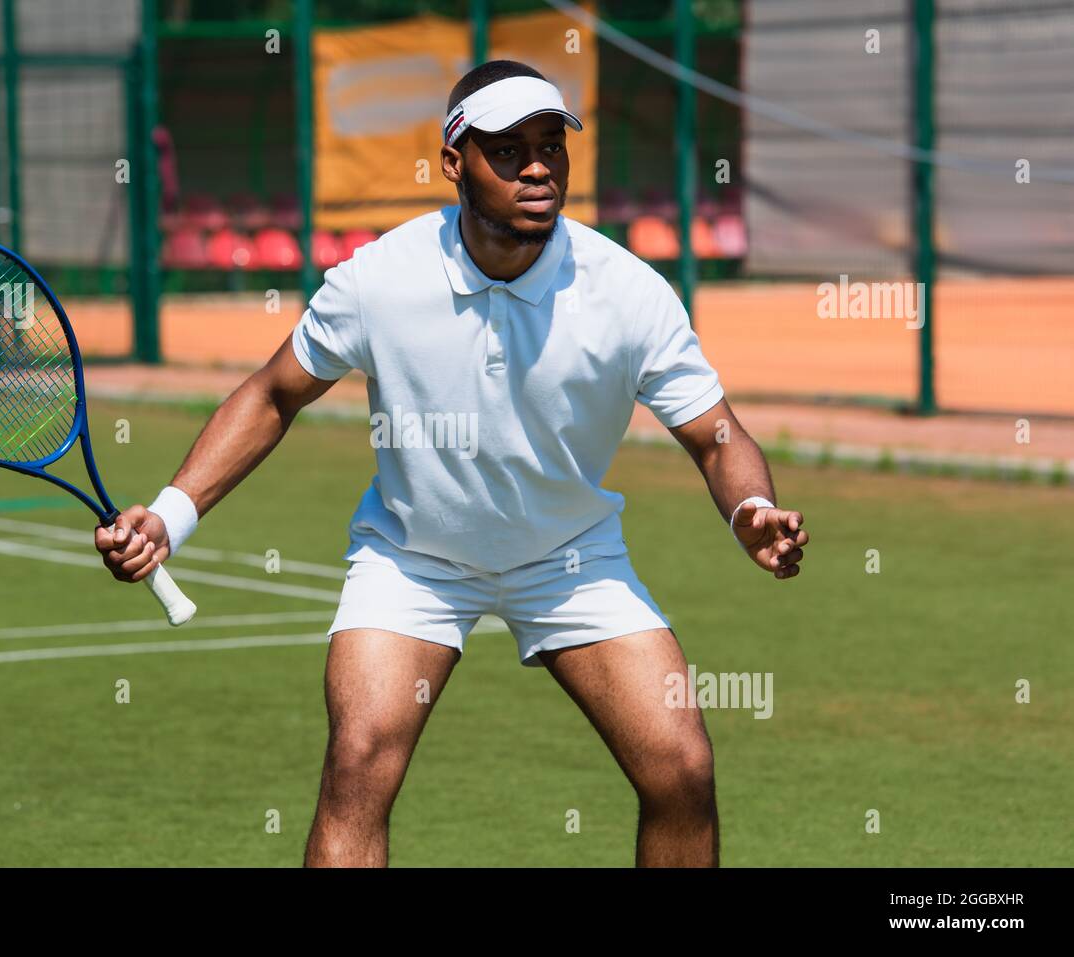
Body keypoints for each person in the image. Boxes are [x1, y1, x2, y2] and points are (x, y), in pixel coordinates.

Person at [94, 60, 809, 867]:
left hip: (572, 562)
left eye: (550, 146)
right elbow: (272, 395)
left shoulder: (627, 293)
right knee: (358, 764)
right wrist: (170, 512)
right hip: (413, 561)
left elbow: (717, 434)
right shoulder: (379, 280)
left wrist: (750, 510)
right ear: (453, 163)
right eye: (507, 150)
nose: (537, 166)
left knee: (681, 767)